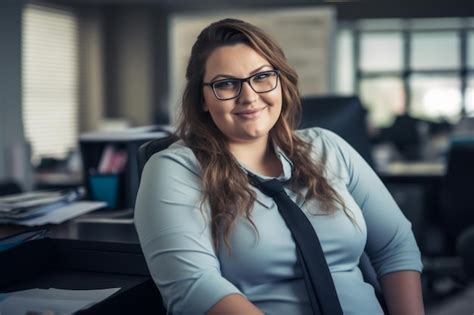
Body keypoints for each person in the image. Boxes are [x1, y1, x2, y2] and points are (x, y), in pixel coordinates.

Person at [134, 18, 424, 315]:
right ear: (203, 99)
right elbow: (194, 287)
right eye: (225, 84)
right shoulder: (175, 169)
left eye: (261, 77)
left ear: (281, 83)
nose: (248, 96)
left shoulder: (328, 148)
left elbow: (395, 247)